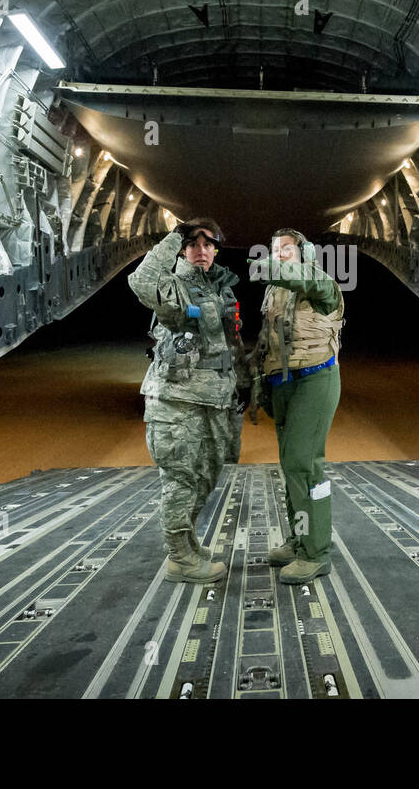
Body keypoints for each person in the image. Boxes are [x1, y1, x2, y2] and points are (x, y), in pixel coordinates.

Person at [128, 218, 249, 583]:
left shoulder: (222, 289)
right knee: (181, 478)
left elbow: (232, 342)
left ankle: (188, 544)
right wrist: (173, 236)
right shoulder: (172, 285)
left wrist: (242, 385)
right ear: (183, 249)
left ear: (216, 250)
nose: (201, 251)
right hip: (177, 402)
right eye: (193, 244)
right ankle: (179, 557)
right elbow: (141, 281)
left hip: (215, 400)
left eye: (208, 244)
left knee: (207, 475)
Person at [248, 229, 343, 584]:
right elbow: (265, 342)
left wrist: (273, 264)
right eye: (275, 249)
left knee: (305, 463)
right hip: (283, 384)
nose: (280, 254)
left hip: (315, 379)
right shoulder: (273, 294)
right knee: (292, 465)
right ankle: (300, 538)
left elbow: (304, 279)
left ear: (303, 253)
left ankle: (316, 553)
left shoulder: (320, 282)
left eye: (288, 249)